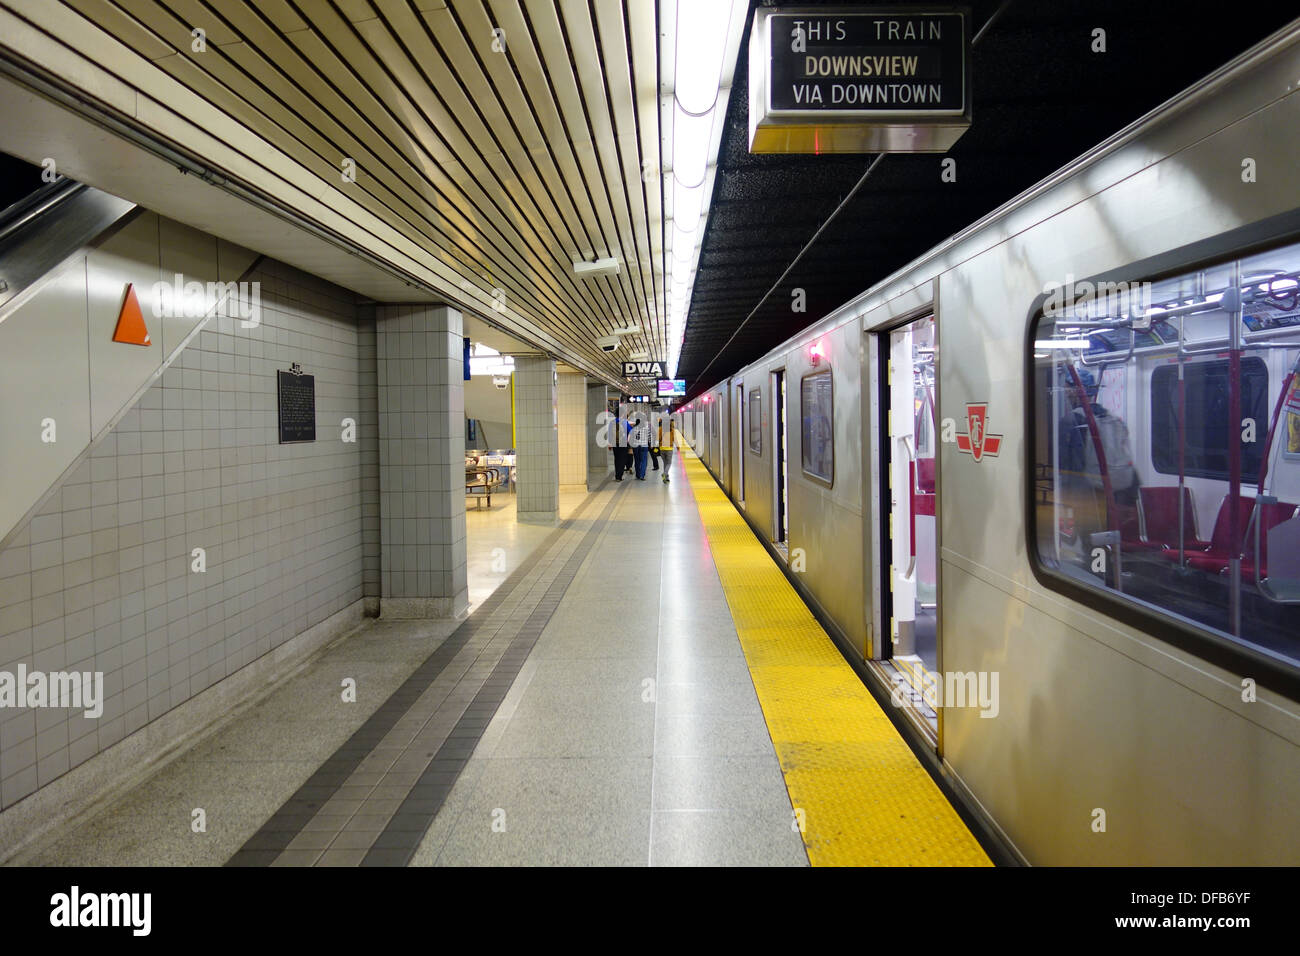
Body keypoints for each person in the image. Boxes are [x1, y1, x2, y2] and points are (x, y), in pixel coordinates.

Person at [630, 410, 650, 480]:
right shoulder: (646, 428)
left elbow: (632, 437)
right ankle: (642, 475)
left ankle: (638, 475)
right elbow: (649, 437)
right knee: (644, 461)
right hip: (644, 446)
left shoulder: (634, 428)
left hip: (636, 446)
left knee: (637, 460)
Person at [658, 418, 676, 483]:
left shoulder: (660, 429)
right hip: (669, 449)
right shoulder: (672, 430)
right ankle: (665, 474)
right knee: (669, 463)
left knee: (665, 463)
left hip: (662, 448)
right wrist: (678, 447)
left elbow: (658, 438)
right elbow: (675, 439)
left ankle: (666, 478)